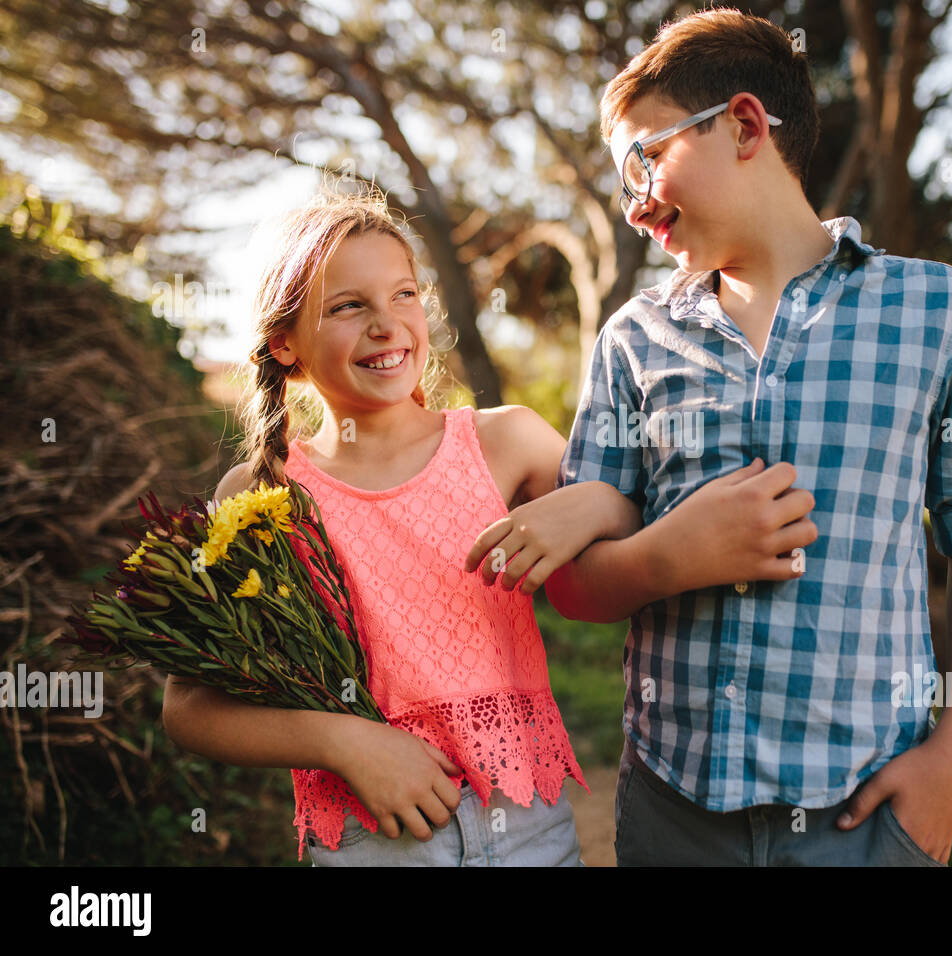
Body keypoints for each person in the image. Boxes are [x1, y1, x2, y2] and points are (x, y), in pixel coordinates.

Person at [543, 8, 952, 866]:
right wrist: (672, 557)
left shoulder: (937, 310)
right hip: (673, 810)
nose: (634, 207)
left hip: (866, 814)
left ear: (743, 124)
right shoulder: (633, 338)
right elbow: (576, 587)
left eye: (645, 160)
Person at [161, 186, 640, 866]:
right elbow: (188, 707)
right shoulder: (262, 495)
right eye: (348, 306)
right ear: (284, 342)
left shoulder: (508, 444)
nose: (386, 324)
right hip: (371, 840)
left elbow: (635, 526)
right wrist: (345, 743)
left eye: (404, 295)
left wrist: (598, 502)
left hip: (527, 824)